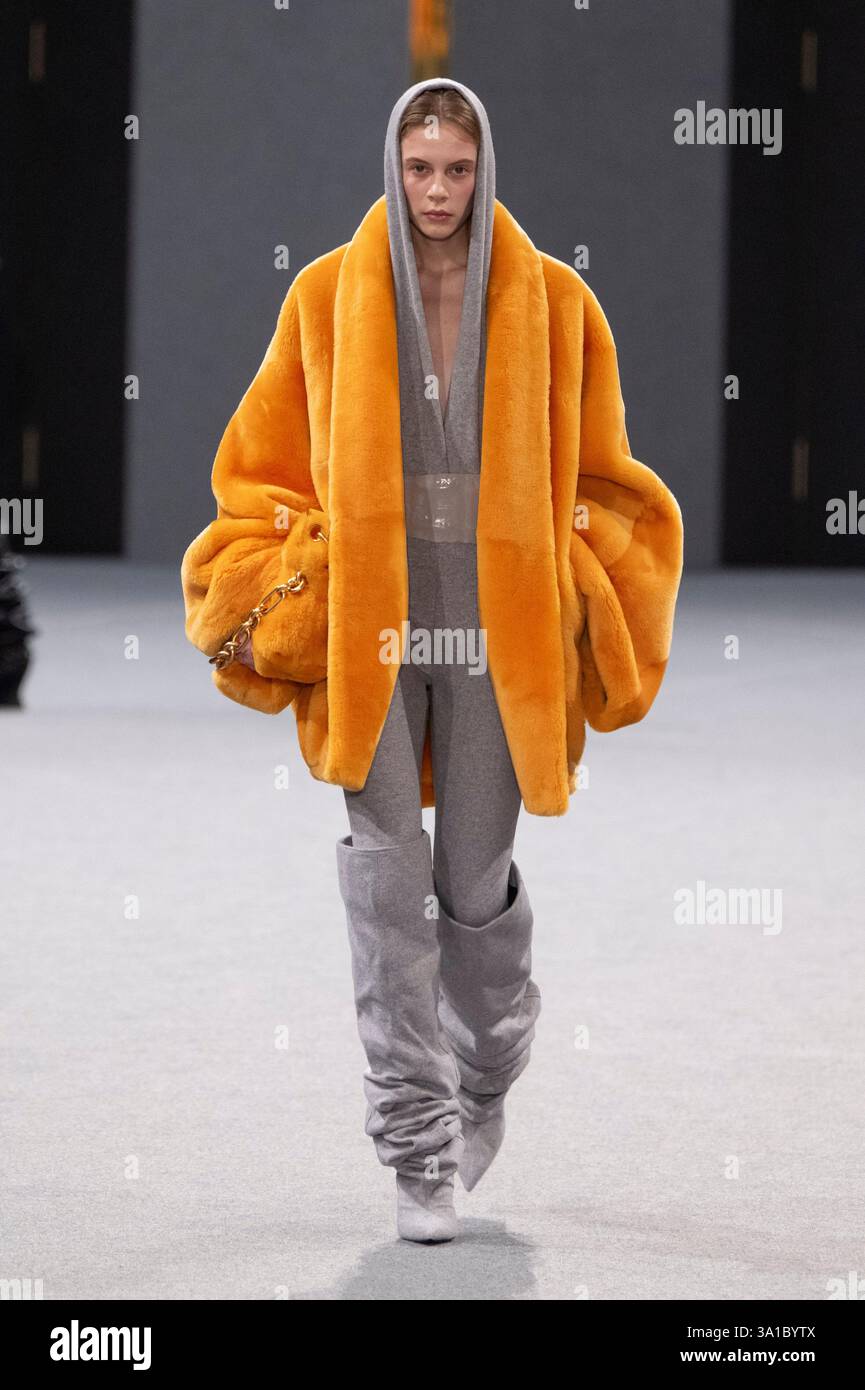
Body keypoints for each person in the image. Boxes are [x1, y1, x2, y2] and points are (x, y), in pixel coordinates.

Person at [181, 78, 684, 1245]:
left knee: (471, 880)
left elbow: (613, 482)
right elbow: (254, 472)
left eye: (458, 168)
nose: (440, 191)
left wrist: (573, 568)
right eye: (421, 170)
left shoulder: (558, 304)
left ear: (484, 166)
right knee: (383, 877)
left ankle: (487, 1070)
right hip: (373, 617)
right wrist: (301, 552)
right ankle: (416, 1146)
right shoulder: (323, 298)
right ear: (393, 168)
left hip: (498, 624)